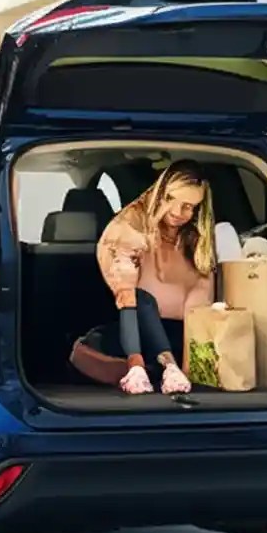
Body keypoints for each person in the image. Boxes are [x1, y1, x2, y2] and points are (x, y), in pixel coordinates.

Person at [95, 159, 216, 395]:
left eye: (189, 206)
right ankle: (144, 368)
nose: (178, 212)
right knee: (140, 299)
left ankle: (167, 369)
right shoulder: (130, 226)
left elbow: (199, 300)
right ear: (160, 193)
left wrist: (191, 364)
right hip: (138, 327)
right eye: (171, 199)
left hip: (183, 334)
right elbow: (126, 292)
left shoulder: (199, 238)